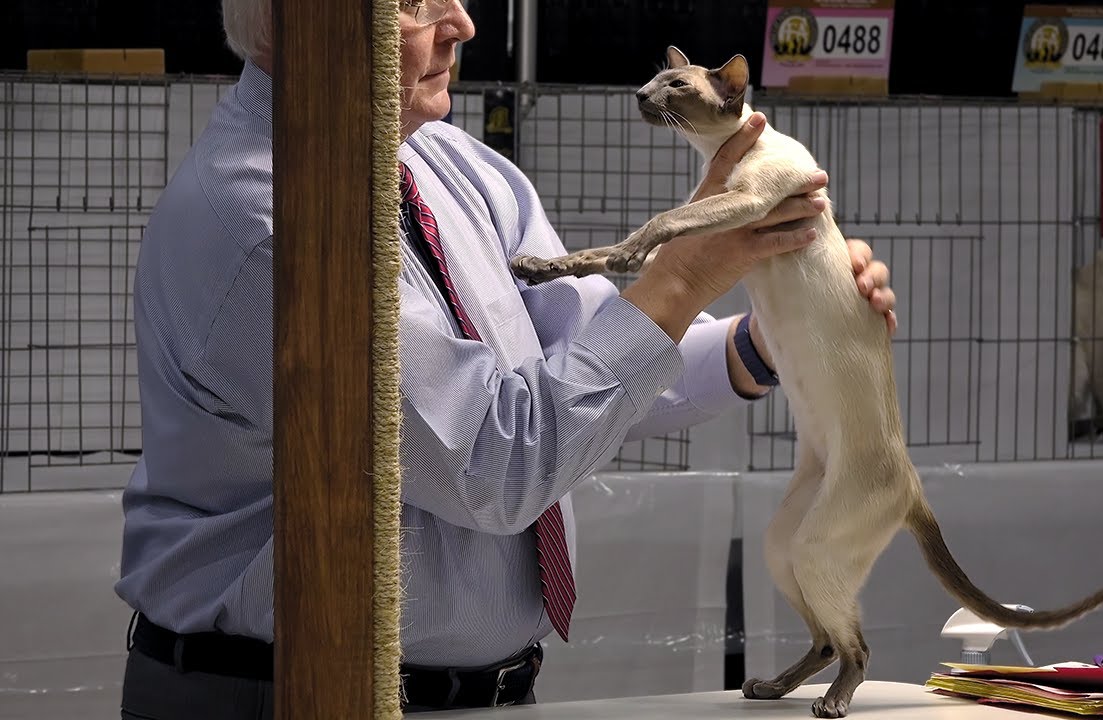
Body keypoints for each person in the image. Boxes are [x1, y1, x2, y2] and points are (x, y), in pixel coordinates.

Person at [115, 0, 898, 717]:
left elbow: (597, 362)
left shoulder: (452, 163)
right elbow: (501, 460)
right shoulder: (269, 223)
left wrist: (770, 338)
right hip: (282, 695)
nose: (463, 22)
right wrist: (687, 269)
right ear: (306, 21)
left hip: (477, 695)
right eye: (415, 3)